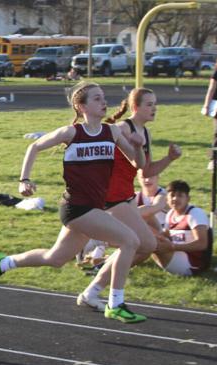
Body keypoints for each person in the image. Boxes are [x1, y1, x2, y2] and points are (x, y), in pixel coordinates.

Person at [0, 81, 148, 323]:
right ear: (81, 106)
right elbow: (34, 147)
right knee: (130, 241)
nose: (104, 102)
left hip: (92, 209)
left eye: (103, 97)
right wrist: (24, 179)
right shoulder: (71, 133)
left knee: (55, 258)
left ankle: (4, 262)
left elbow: (138, 164)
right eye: (97, 98)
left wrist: (139, 147)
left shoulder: (112, 132)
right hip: (76, 208)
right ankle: (116, 303)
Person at [76, 88, 182, 311]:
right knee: (144, 244)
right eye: (149, 104)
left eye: (155, 104)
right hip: (110, 196)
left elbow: (146, 170)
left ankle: (92, 291)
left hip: (126, 195)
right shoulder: (123, 128)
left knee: (141, 246)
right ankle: (110, 294)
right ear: (135, 107)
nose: (154, 108)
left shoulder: (145, 133)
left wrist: (170, 158)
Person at [152, 180, 211, 276]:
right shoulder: (170, 213)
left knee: (152, 244)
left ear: (188, 199)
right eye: (172, 195)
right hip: (177, 255)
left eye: (180, 195)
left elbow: (202, 244)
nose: (175, 199)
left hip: (193, 264)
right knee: (149, 241)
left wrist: (173, 247)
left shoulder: (195, 213)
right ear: (167, 199)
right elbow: (166, 235)